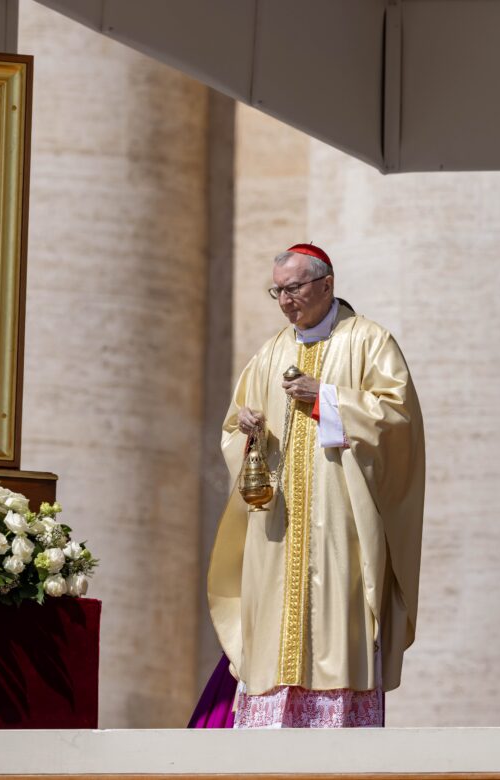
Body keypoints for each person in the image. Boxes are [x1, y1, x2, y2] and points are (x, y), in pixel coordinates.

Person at [202, 242, 425, 729]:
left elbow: (397, 419)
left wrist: (325, 398)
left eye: (294, 288)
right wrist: (244, 427)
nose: (285, 300)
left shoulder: (369, 342)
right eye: (277, 291)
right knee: (274, 627)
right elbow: (230, 430)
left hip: (340, 520)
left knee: (337, 622)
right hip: (277, 527)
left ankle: (338, 736)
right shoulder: (270, 353)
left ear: (327, 285)